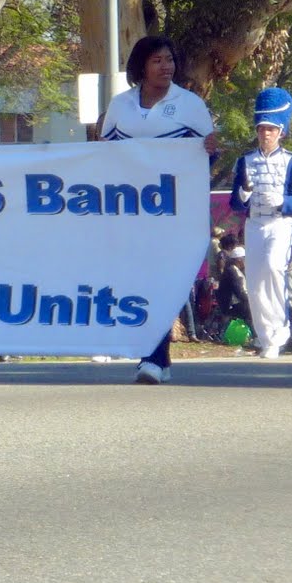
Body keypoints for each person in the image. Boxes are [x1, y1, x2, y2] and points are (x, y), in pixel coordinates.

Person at [99, 36, 219, 382]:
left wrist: (211, 151)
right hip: (131, 207)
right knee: (138, 279)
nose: (166, 67)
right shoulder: (120, 105)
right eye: (157, 61)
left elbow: (205, 162)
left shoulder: (190, 104)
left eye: (169, 60)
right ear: (141, 67)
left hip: (173, 209)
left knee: (161, 279)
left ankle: (151, 356)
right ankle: (159, 358)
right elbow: (107, 154)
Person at [229, 88, 292, 360]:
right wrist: (244, 195)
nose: (265, 134)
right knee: (255, 281)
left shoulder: (291, 162)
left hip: (280, 224)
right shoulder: (245, 161)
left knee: (274, 268)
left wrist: (282, 201)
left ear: (280, 132)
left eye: (271, 129)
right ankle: (266, 338)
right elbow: (235, 204)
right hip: (254, 224)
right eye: (262, 129)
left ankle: (279, 331)